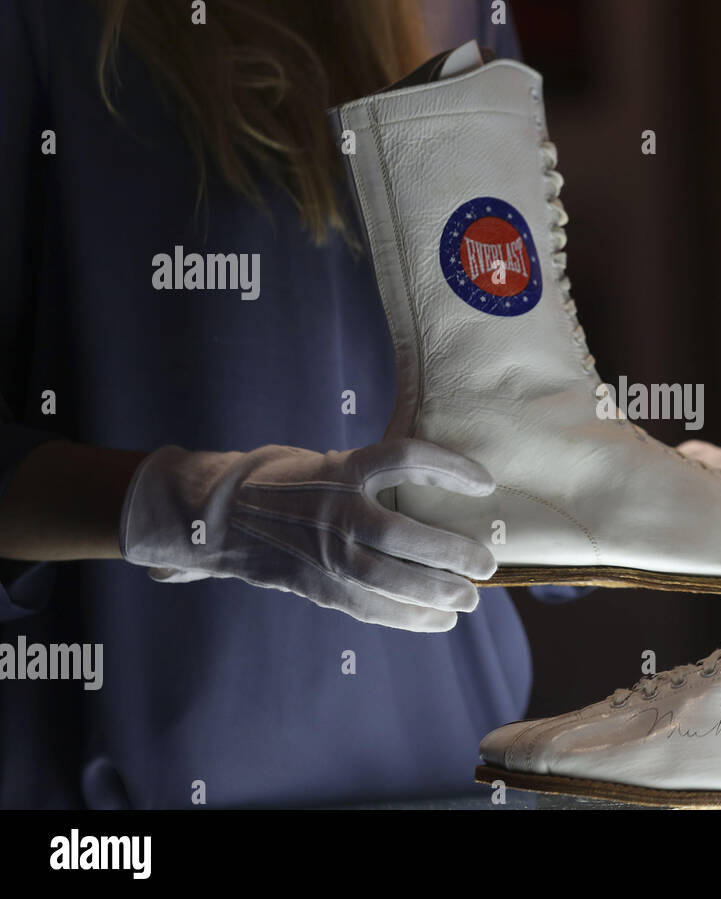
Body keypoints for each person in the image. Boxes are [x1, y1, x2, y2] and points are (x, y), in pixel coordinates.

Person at [0, 0, 535, 808]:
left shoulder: (456, 17)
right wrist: (208, 511)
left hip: (453, 775)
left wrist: (716, 496)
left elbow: (520, 414)